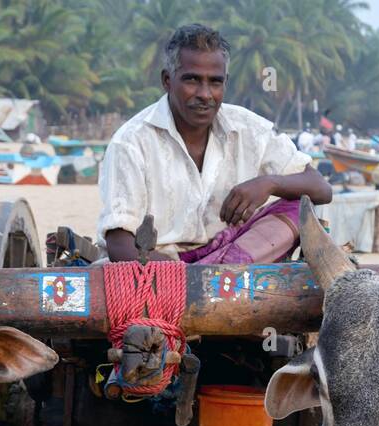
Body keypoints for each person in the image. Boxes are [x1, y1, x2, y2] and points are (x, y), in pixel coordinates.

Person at [98, 23, 332, 265]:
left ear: (225, 83)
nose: (205, 94)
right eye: (192, 80)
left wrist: (269, 183)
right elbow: (119, 244)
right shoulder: (131, 141)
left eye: (215, 82)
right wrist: (183, 278)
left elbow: (321, 189)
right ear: (167, 80)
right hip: (164, 264)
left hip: (234, 253)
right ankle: (210, 276)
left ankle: (214, 273)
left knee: (299, 209)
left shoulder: (248, 129)